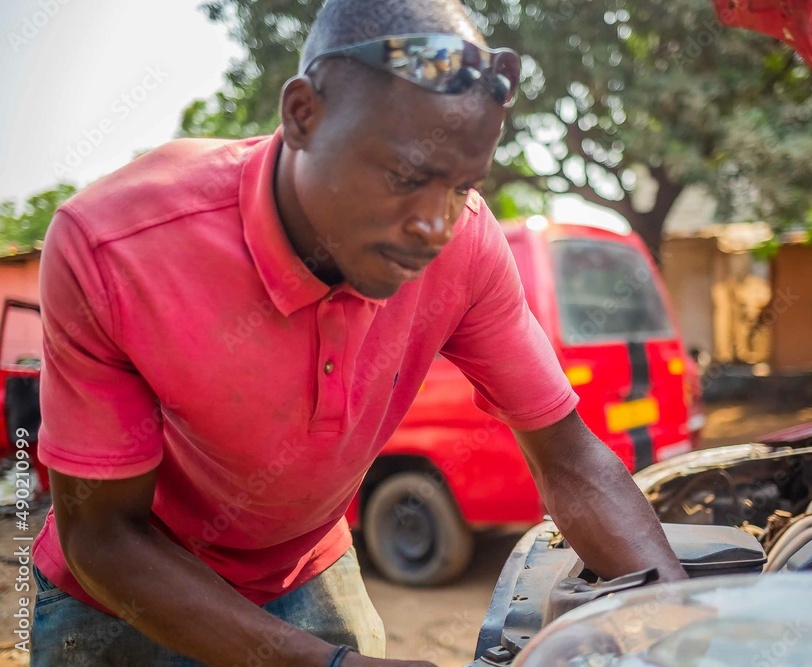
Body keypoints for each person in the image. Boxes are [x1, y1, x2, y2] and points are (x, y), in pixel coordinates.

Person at [29, 0, 686, 665]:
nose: (435, 226)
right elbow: (104, 535)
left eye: (461, 188)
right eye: (406, 177)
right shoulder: (113, 247)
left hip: (304, 568)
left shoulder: (469, 244)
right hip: (124, 595)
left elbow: (570, 458)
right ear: (302, 115)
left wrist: (685, 625)